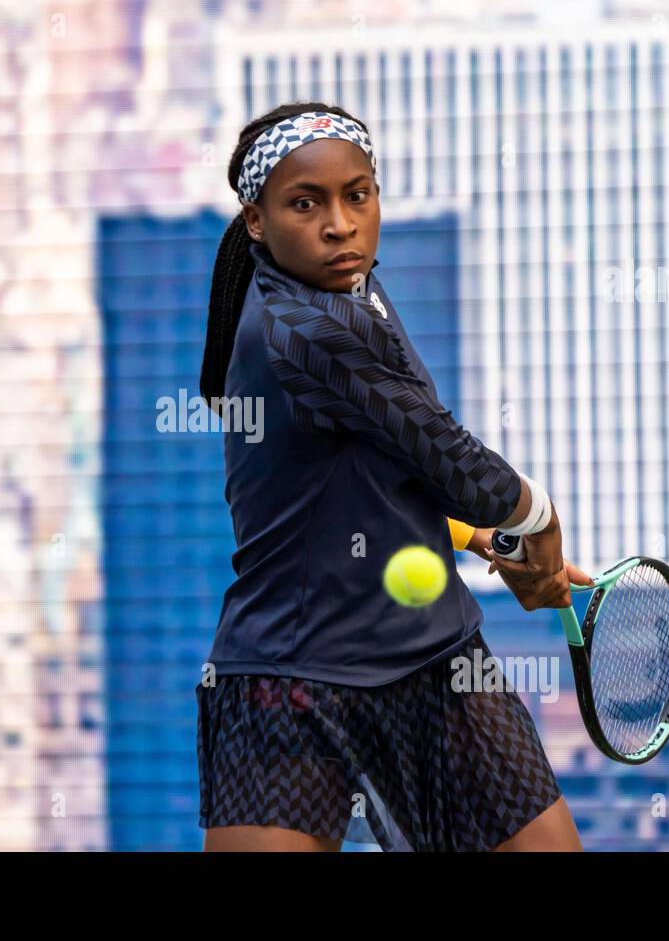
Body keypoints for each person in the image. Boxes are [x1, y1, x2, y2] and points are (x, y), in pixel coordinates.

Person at [195, 102, 593, 852]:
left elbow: (379, 468)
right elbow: (449, 457)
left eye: (358, 195)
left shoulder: (354, 289)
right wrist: (533, 522)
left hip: (437, 669)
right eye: (304, 204)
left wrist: (480, 538)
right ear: (256, 221)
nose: (340, 224)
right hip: (291, 683)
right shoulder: (303, 329)